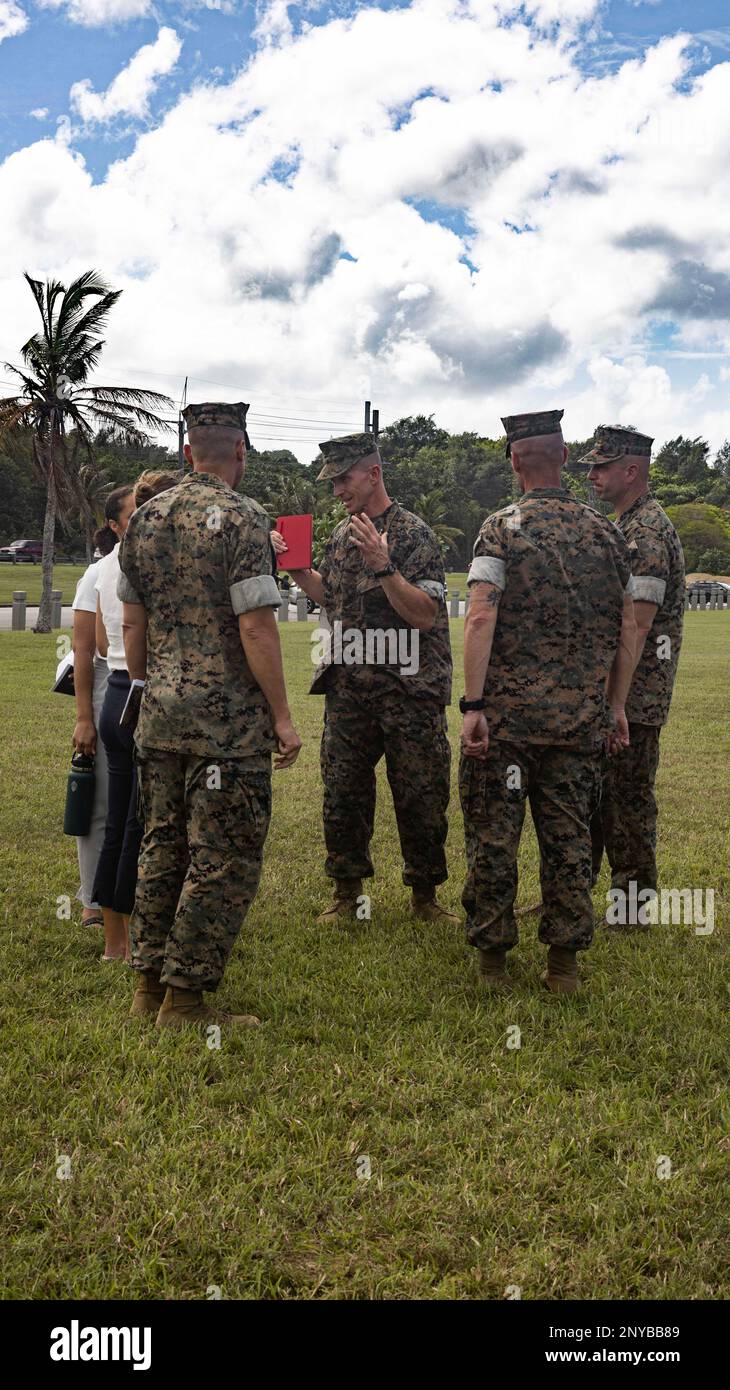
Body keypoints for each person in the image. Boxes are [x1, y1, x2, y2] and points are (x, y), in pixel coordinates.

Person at [118, 402, 301, 1030]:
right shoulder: (244, 519)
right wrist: (282, 715)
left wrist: (146, 686)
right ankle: (186, 1000)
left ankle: (147, 986)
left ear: (188, 451)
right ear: (241, 452)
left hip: (161, 715)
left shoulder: (143, 518)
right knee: (222, 855)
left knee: (161, 844)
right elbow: (255, 624)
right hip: (227, 724)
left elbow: (133, 622)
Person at [459, 409, 638, 994]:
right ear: (564, 457)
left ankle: (493, 966)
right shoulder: (608, 533)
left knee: (494, 839)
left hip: (508, 722)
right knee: (568, 843)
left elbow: (481, 614)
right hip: (579, 722)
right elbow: (628, 627)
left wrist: (473, 705)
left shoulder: (501, 528)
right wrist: (615, 705)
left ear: (515, 461)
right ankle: (563, 967)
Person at [281, 431, 456, 923]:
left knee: (421, 795)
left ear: (373, 474)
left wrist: (385, 566)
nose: (337, 489)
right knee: (343, 794)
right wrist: (296, 569)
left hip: (409, 690)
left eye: (344, 478)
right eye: (332, 481)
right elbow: (331, 597)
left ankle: (426, 899)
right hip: (350, 690)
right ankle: (348, 895)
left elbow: (424, 614)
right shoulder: (341, 535)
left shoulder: (414, 533)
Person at [583, 426, 685, 924]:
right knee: (598, 801)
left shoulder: (646, 532)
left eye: (602, 466)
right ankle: (580, 896)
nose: (592, 474)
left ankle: (632, 908)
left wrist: (614, 704)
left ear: (632, 470)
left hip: (635, 697)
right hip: (619, 694)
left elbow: (638, 626)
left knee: (626, 803)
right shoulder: (628, 525)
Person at [91, 473, 179, 963]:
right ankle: (141, 941)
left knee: (120, 824)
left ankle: (115, 942)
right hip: (143, 691)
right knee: (137, 827)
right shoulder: (150, 559)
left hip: (117, 690)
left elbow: (105, 646)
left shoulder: (105, 566)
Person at [71, 522, 117, 929]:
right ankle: (90, 901)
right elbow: (84, 651)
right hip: (107, 685)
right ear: (115, 525)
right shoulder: (98, 572)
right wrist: (84, 717)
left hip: (144, 685)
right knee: (99, 798)